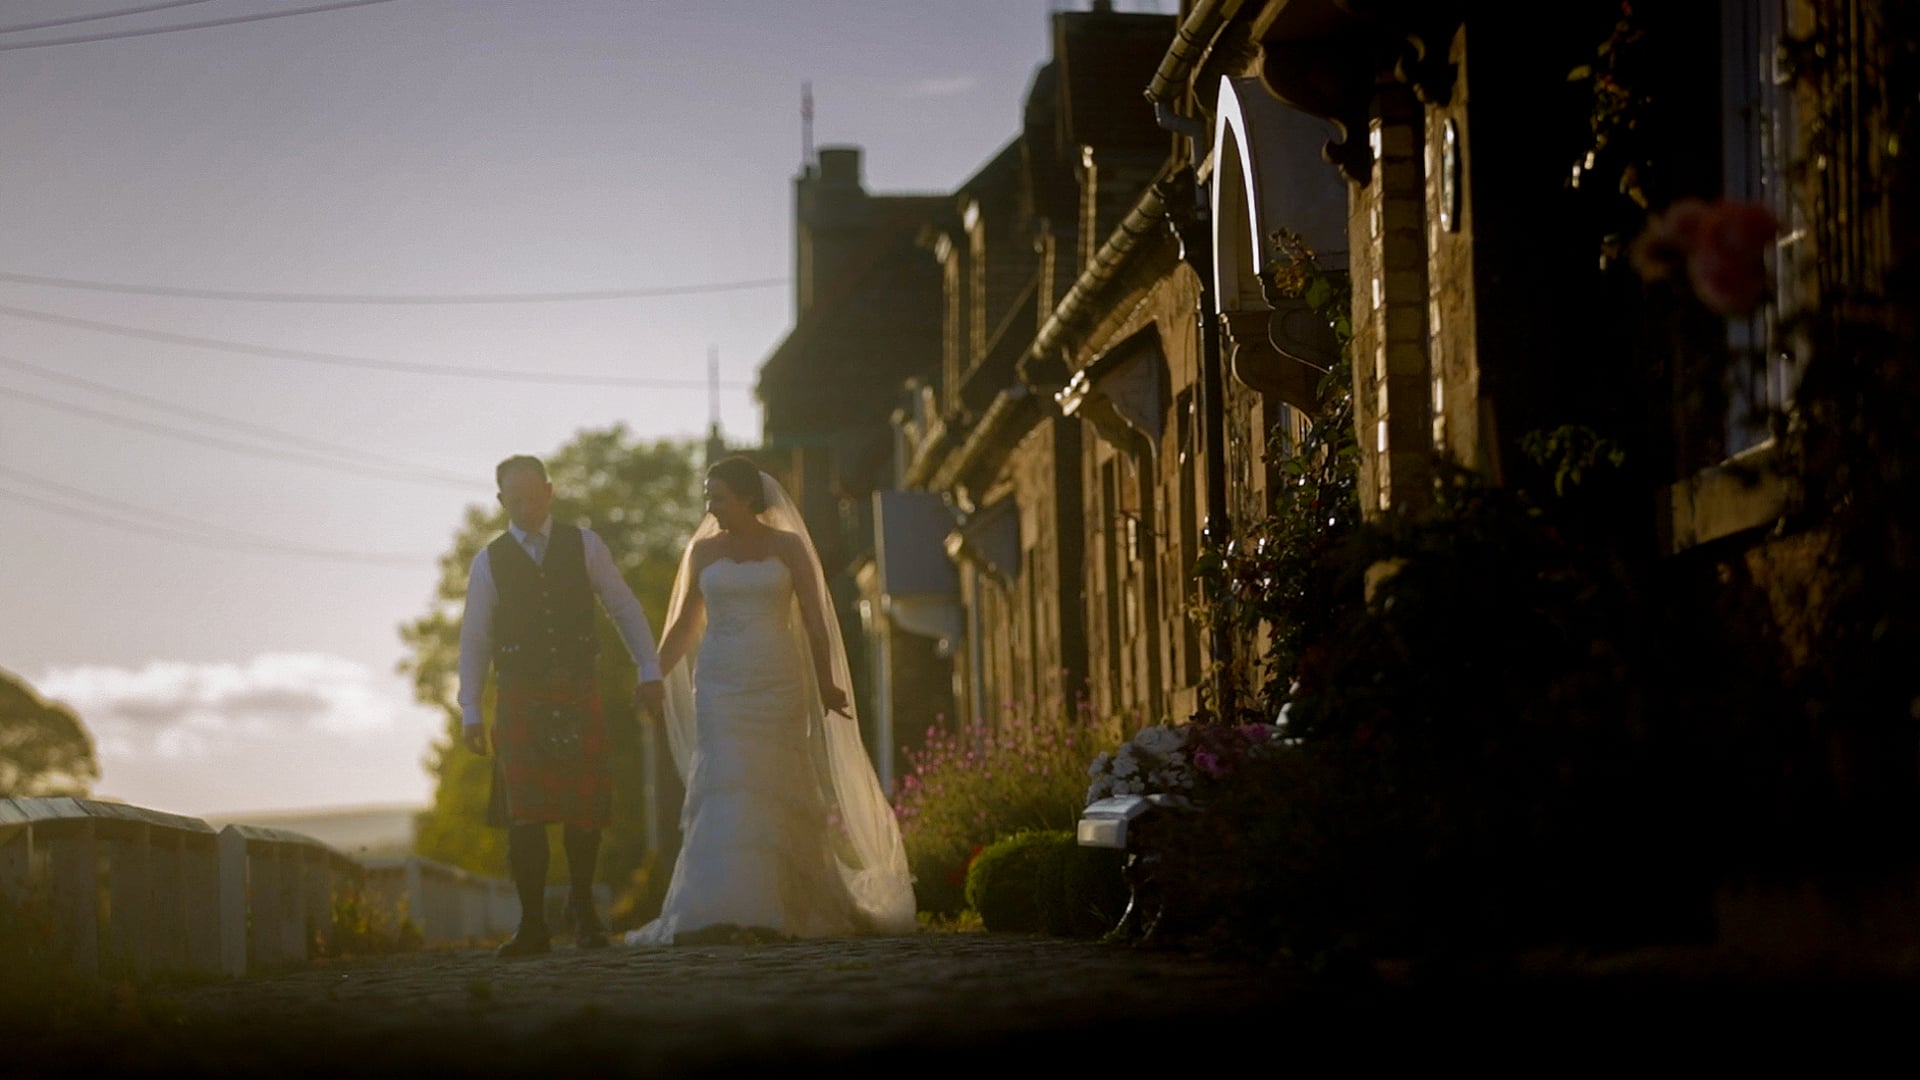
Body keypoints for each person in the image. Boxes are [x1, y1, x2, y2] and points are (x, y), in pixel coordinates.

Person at [626, 456, 916, 944]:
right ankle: (713, 911)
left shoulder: (788, 547)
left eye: (717, 496)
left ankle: (779, 907)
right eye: (707, 497)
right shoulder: (703, 552)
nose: (710, 507)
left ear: (746, 498)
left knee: (772, 784)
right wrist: (653, 673)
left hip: (777, 680)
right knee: (726, 781)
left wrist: (826, 681)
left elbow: (815, 621)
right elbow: (683, 625)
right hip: (719, 683)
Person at [457, 454, 665, 957]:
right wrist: (470, 710)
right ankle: (533, 925)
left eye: (534, 494)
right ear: (503, 500)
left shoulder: (584, 544)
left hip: (577, 687)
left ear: (550, 492)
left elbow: (622, 605)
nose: (527, 506)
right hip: (520, 696)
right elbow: (475, 637)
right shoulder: (490, 560)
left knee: (583, 809)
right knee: (524, 814)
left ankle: (584, 912)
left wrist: (649, 668)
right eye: (516, 498)